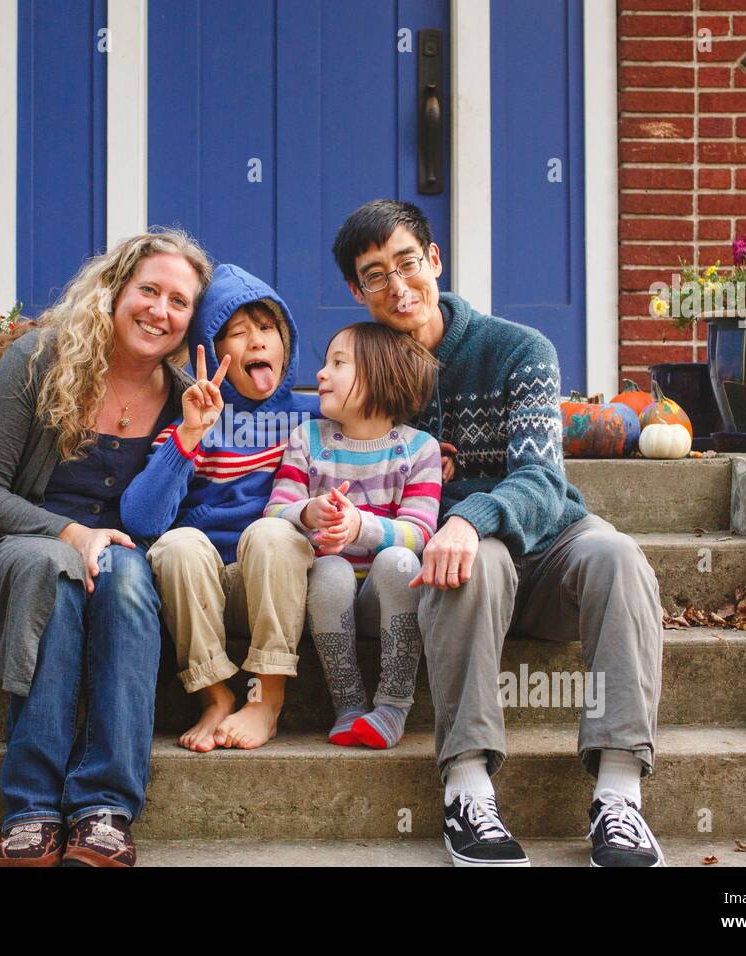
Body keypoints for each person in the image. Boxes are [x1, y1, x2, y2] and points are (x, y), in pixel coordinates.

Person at [331, 199, 665, 867]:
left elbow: (541, 482)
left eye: (407, 263)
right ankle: (467, 786)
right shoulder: (367, 370)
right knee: (471, 558)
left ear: (435, 260)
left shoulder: (518, 351)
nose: (397, 287)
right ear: (356, 291)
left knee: (618, 555)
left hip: (548, 551)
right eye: (375, 275)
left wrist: (467, 512)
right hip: (460, 575)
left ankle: (619, 795)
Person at [0, 229, 212, 867]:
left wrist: (188, 439)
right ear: (115, 290)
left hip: (116, 551)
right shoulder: (39, 360)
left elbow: (153, 517)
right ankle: (32, 806)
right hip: (17, 545)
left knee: (126, 576)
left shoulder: (185, 397)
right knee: (57, 569)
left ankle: (104, 807)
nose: (160, 311)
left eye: (178, 302)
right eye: (148, 290)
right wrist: (69, 533)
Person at [122, 264, 319, 752]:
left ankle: (267, 697)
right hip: (203, 588)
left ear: (286, 341)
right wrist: (190, 434)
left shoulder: (312, 419)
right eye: (237, 332)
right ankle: (215, 695)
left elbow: (375, 432)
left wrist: (419, 448)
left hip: (277, 582)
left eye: (268, 329)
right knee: (177, 545)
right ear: (210, 353)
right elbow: (141, 519)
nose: (256, 342)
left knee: (273, 532)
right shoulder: (191, 420)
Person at [264, 322, 441, 750]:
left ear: (382, 375)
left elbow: (420, 534)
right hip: (328, 599)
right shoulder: (307, 440)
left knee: (399, 562)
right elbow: (274, 513)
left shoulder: (420, 450)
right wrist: (309, 513)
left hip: (387, 596)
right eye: (325, 363)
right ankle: (348, 705)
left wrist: (360, 526)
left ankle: (393, 706)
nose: (321, 373)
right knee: (330, 571)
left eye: (338, 363)